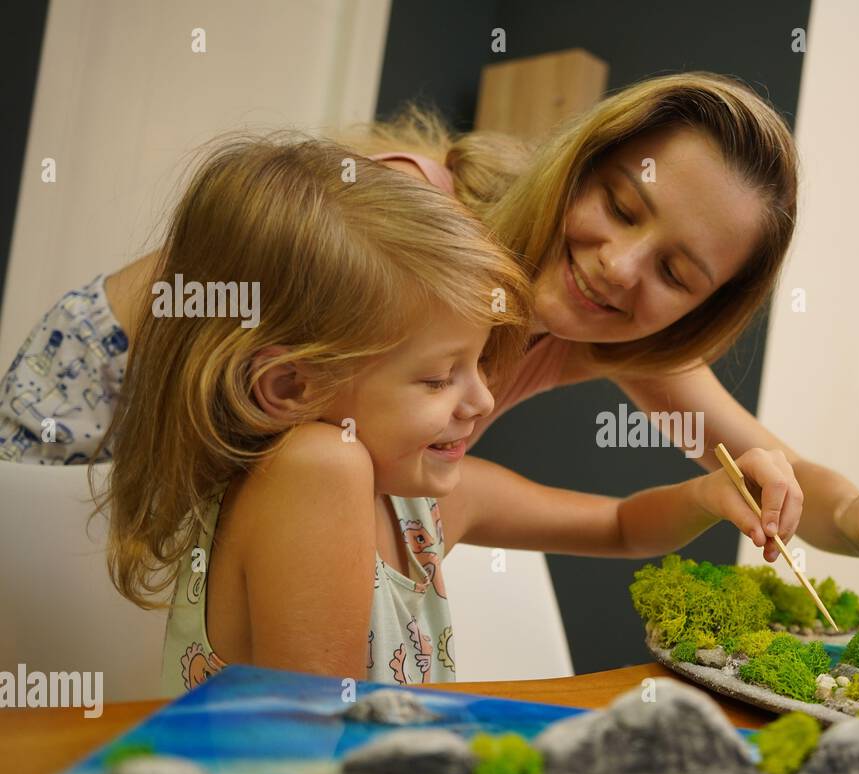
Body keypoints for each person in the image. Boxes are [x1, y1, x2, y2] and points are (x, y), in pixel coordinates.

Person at [97, 135, 804, 694]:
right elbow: (313, 755)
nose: (485, 400)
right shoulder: (317, 468)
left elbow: (620, 528)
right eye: (439, 378)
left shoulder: (425, 504)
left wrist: (712, 493)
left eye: (481, 365)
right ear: (291, 389)